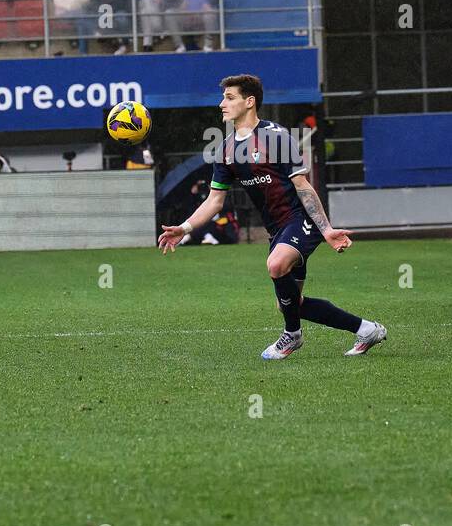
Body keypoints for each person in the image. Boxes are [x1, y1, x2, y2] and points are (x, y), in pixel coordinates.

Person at [157, 73, 386, 360]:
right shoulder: (226, 150)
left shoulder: (275, 137)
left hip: (300, 220)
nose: (221, 104)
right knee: (291, 304)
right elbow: (215, 201)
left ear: (249, 102)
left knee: (275, 264)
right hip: (277, 230)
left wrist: (325, 229)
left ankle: (292, 336)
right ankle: (366, 329)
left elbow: (302, 185)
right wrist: (185, 227)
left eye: (229, 98)